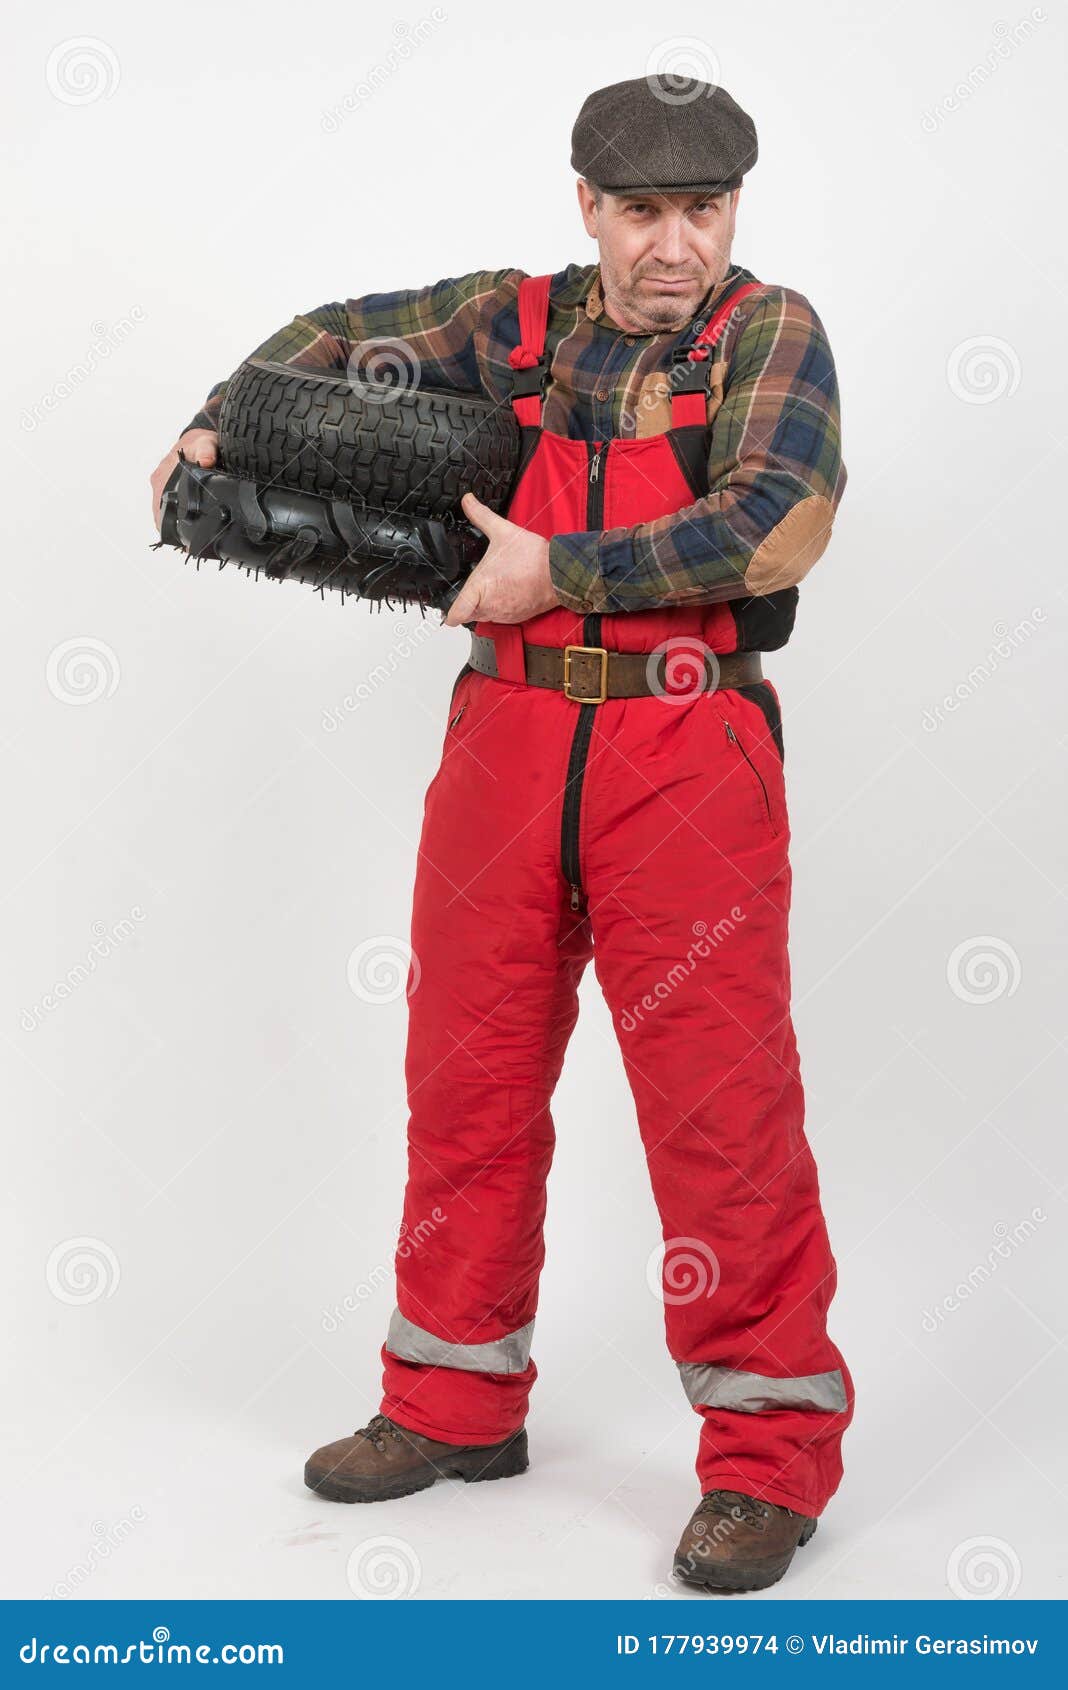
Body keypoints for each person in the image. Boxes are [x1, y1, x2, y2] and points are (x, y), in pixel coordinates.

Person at [151, 74, 853, 1595]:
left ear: (735, 208)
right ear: (588, 204)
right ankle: (452, 1401)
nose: (678, 244)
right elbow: (322, 347)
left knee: (719, 1108)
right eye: (645, 210)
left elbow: (775, 517)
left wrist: (565, 570)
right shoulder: (516, 323)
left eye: (706, 208)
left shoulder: (769, 334)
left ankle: (769, 1459)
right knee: (464, 1073)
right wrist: (230, 434)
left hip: (687, 741)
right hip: (505, 743)